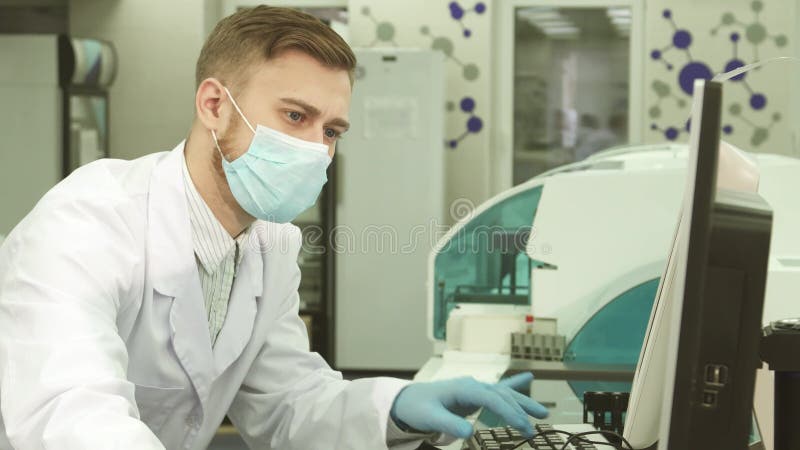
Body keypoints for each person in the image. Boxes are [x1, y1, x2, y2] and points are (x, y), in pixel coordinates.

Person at [0, 6, 547, 450]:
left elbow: (288, 403)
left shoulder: (271, 243)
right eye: (295, 116)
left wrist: (397, 408)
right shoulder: (86, 222)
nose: (316, 149)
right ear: (214, 105)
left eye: (331, 131)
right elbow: (69, 414)